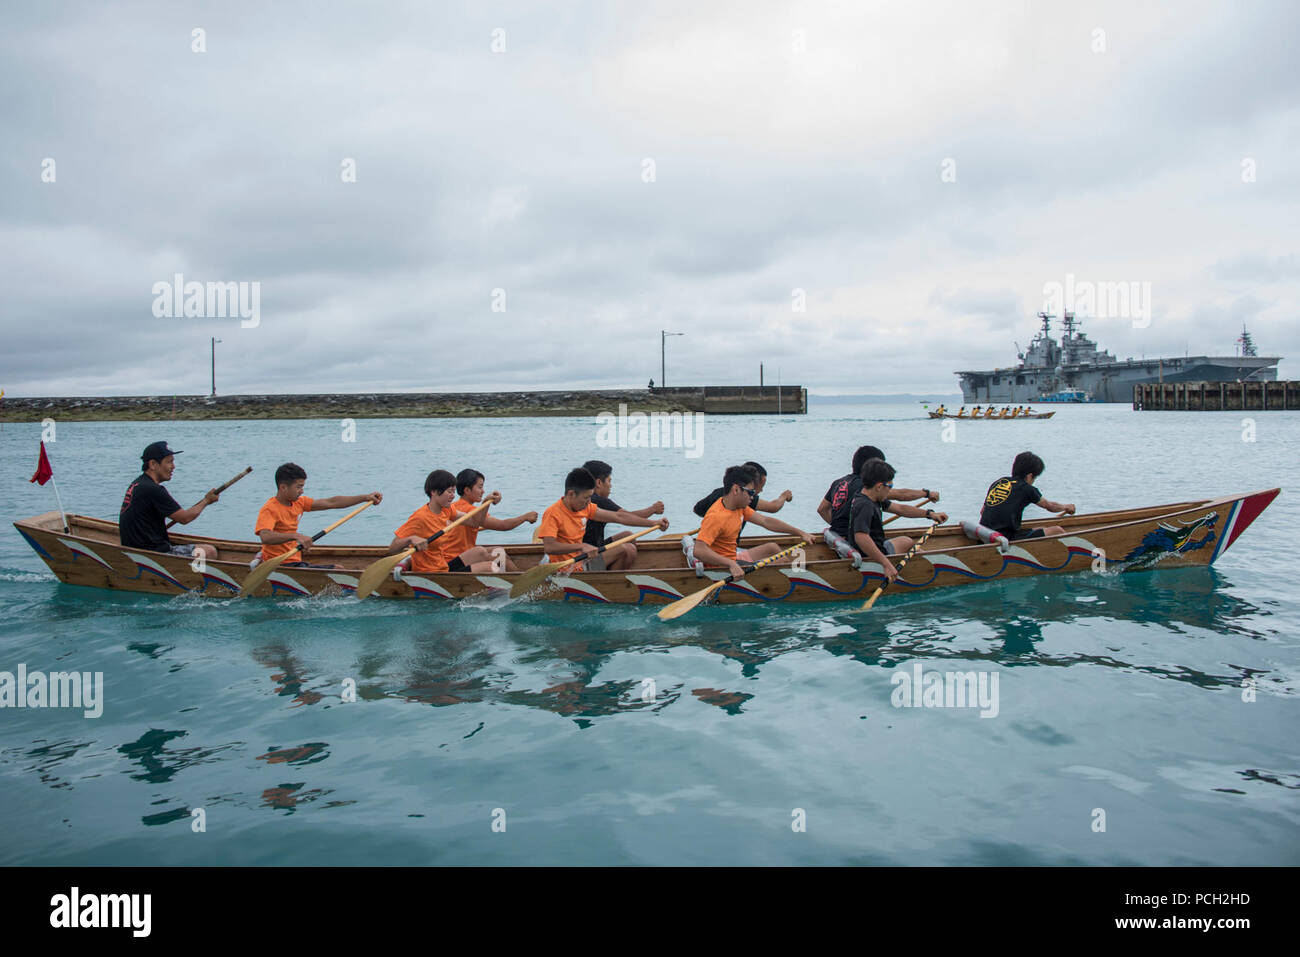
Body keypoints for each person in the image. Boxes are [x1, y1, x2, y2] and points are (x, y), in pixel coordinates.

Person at [692, 465, 814, 577]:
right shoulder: (716, 516)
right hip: (721, 568)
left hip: (732, 560)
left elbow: (766, 521)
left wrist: (801, 533)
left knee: (772, 548)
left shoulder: (739, 507)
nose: (753, 497)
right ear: (736, 490)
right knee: (782, 563)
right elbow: (699, 550)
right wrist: (730, 564)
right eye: (750, 492)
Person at [255, 463, 381, 568]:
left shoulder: (299, 502)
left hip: (294, 560)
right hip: (276, 564)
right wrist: (296, 536)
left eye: (303, 486)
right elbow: (265, 536)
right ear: (283, 487)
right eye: (299, 487)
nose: (302, 491)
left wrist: (365, 498)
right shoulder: (270, 509)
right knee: (337, 570)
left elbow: (331, 502)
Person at [538, 467, 667, 570]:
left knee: (628, 538)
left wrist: (652, 523)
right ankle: (609, 587)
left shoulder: (586, 508)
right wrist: (581, 546)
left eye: (590, 497)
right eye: (586, 498)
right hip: (568, 568)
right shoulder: (553, 513)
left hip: (584, 561)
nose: (589, 502)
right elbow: (549, 547)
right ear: (571, 494)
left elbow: (619, 516)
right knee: (626, 549)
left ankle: (608, 582)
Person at [849, 458, 948, 583]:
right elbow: (861, 537)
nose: (890, 491)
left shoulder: (869, 497)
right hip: (874, 555)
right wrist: (886, 564)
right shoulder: (866, 505)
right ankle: (937, 573)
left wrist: (929, 514)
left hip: (871, 548)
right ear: (879, 486)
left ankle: (929, 568)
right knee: (907, 542)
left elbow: (901, 509)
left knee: (905, 541)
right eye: (890, 486)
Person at [387, 469, 504, 574]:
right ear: (434, 492)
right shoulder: (420, 518)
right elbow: (392, 549)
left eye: (453, 491)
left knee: (478, 551)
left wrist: (486, 503)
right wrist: (411, 539)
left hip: (443, 567)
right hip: (430, 573)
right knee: (491, 567)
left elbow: (474, 522)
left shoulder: (447, 509)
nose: (453, 496)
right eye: (449, 492)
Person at [119, 441, 220, 560]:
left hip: (136, 549)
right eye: (169, 462)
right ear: (153, 464)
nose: (173, 466)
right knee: (209, 551)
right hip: (152, 554)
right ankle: (194, 578)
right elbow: (184, 518)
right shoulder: (153, 489)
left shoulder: (138, 484)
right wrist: (206, 501)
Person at [817, 445, 939, 540]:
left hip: (837, 539)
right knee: (906, 542)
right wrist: (926, 494)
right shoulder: (867, 488)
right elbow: (901, 496)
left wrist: (841, 530)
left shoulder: (838, 482)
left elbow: (822, 510)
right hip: (854, 542)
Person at [444, 468, 537, 572]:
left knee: (499, 552)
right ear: (467, 490)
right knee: (490, 557)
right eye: (480, 487)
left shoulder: (454, 506)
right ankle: (519, 579)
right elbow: (503, 525)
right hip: (456, 560)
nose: (483, 491)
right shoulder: (471, 511)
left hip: (464, 553)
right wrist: (525, 517)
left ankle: (519, 576)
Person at [979, 451, 1075, 540]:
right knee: (1057, 531)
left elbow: (983, 511)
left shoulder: (999, 482)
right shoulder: (1026, 489)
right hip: (1003, 538)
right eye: (1035, 478)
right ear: (1030, 476)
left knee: (1041, 528)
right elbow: (1049, 506)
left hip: (984, 534)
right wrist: (1065, 507)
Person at [580, 459, 664, 549]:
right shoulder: (598, 501)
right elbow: (625, 516)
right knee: (627, 550)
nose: (610, 486)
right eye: (609, 481)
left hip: (595, 547)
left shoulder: (585, 500)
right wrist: (653, 511)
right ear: (599, 483)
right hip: (588, 554)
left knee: (627, 536)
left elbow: (625, 516)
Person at [692, 461, 792, 519]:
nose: (761, 490)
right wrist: (784, 496)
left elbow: (697, 509)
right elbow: (773, 507)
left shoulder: (719, 492)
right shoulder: (745, 497)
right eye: (762, 485)